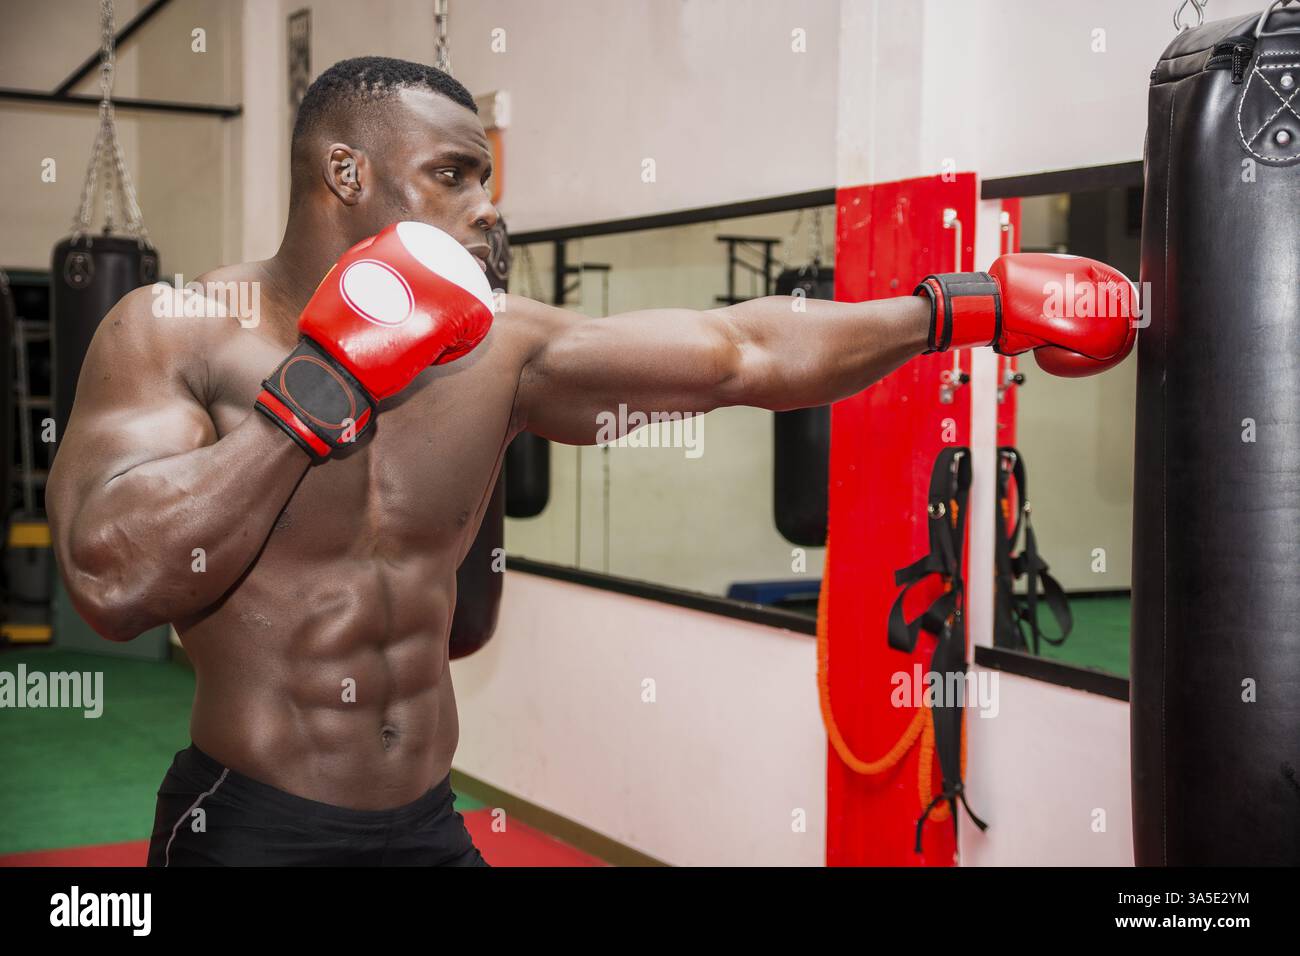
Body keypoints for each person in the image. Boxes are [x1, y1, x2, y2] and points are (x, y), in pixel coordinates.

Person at [45, 56, 1137, 866]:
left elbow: (742, 350)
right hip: (251, 823)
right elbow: (111, 580)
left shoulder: (499, 348)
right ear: (343, 170)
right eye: (453, 174)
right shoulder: (174, 328)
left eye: (487, 177)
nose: (487, 206)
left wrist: (964, 306)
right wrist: (314, 398)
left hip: (427, 820)